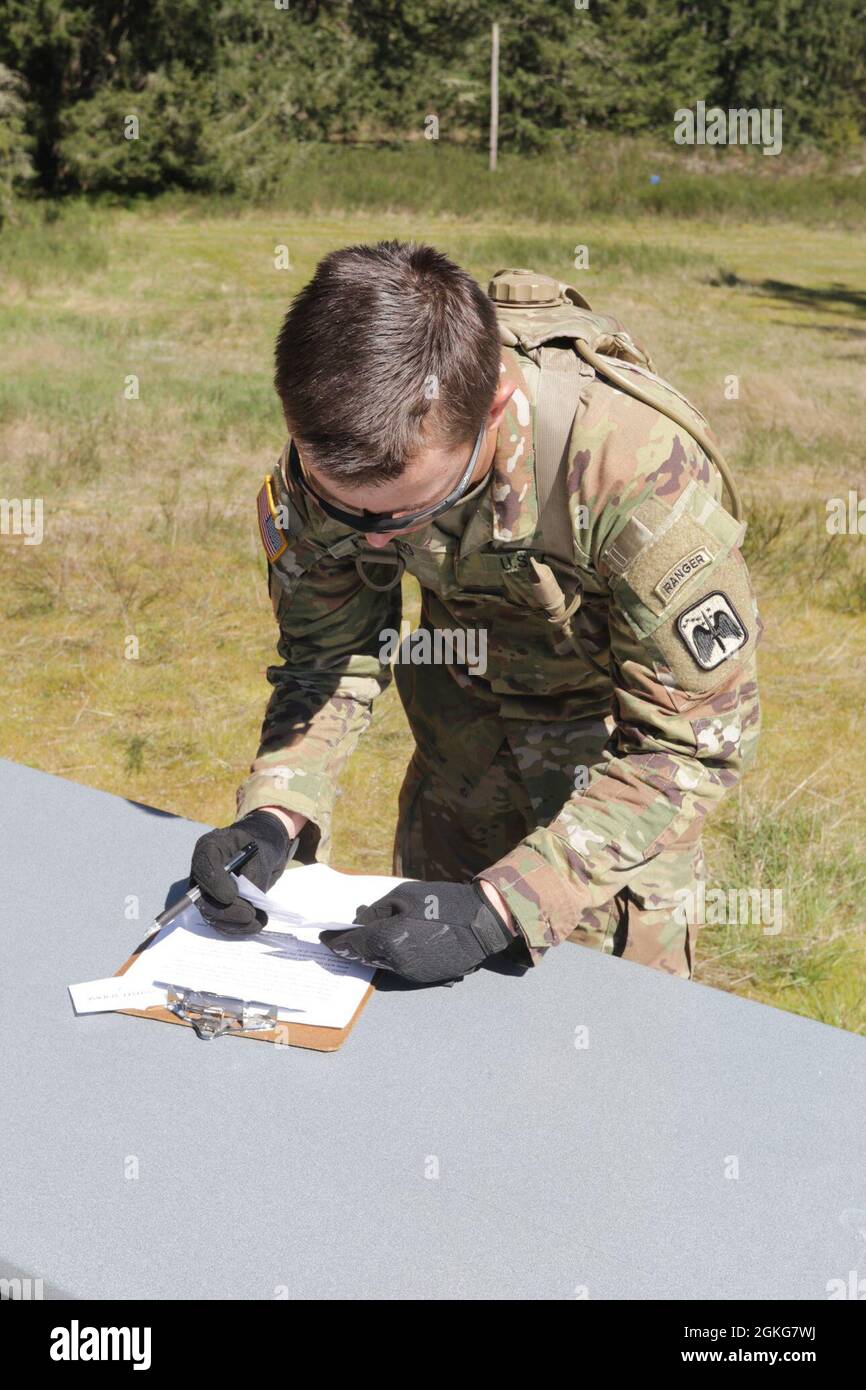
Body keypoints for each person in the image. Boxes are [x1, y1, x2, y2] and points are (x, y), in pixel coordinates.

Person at [189, 241, 761, 986]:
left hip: (610, 827)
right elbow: (328, 657)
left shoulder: (633, 470)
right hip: (453, 792)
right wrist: (277, 810)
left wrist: (504, 907)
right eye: (342, 507)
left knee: (608, 1083)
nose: (371, 535)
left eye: (405, 513)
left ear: (489, 409)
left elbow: (693, 746)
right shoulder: (339, 454)